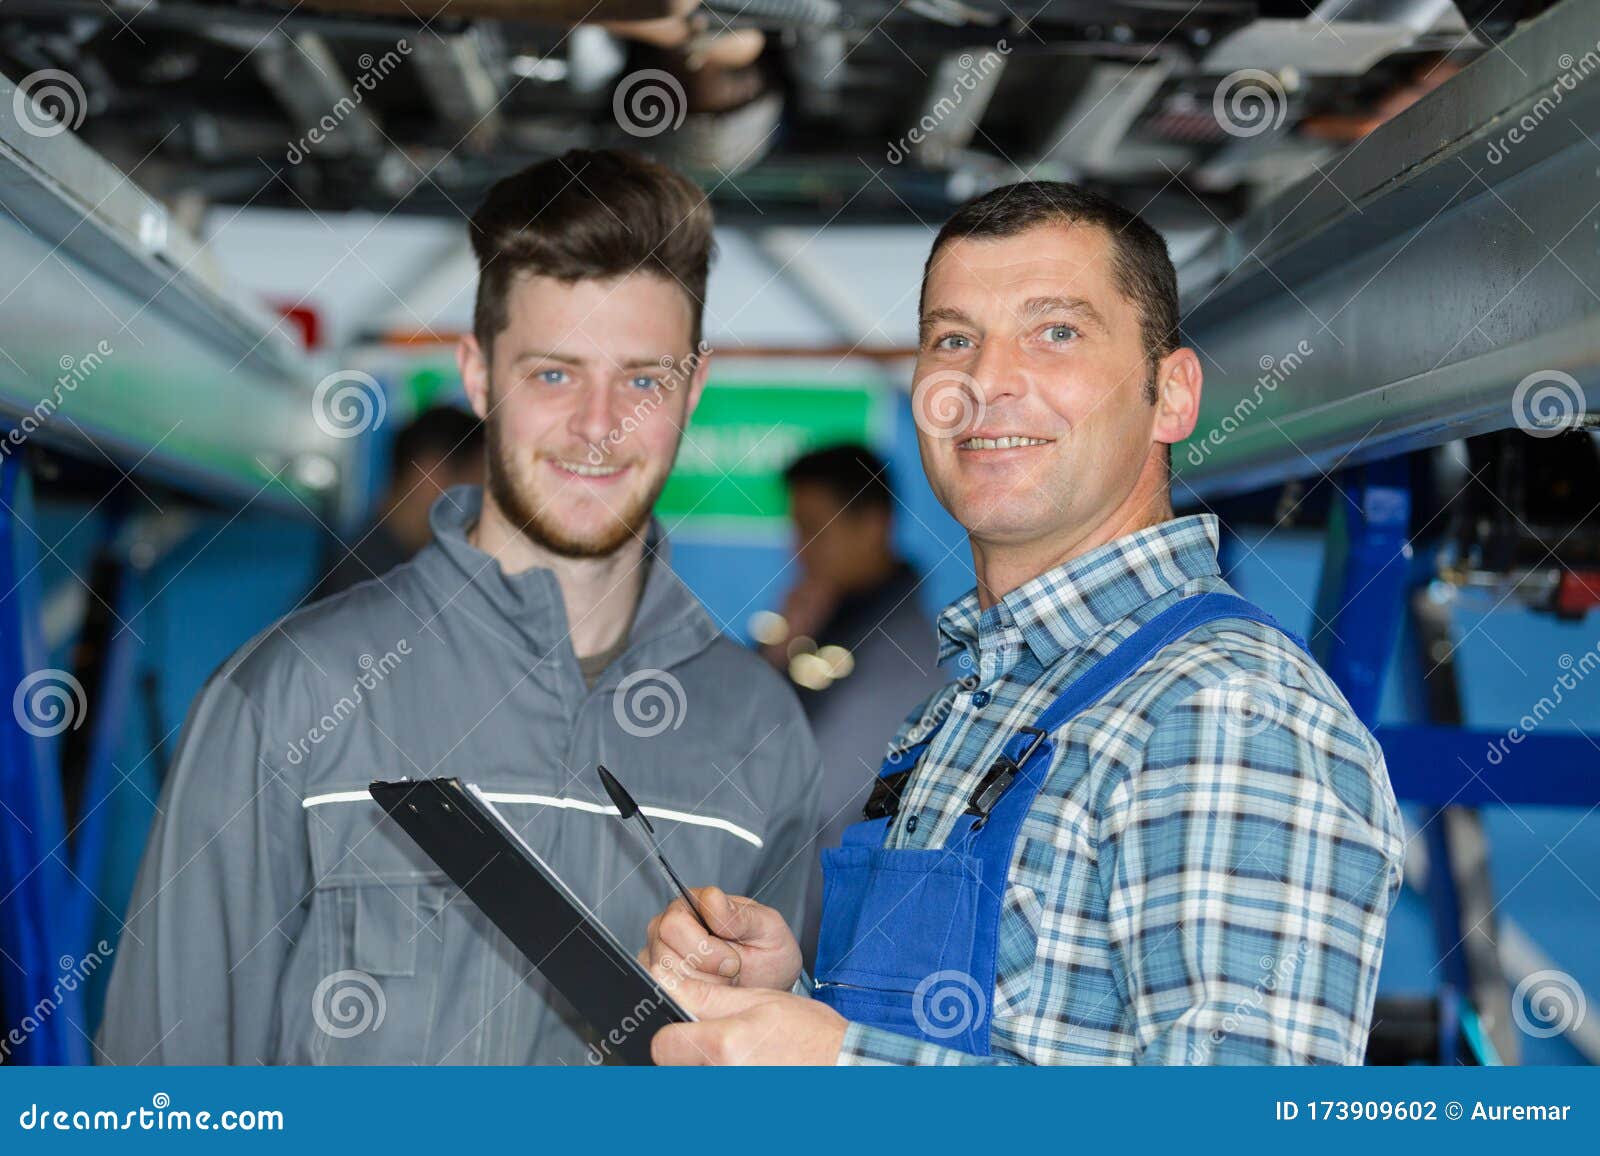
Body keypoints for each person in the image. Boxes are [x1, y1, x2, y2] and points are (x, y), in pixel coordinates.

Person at [640, 180, 1406, 1066]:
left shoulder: (1226, 713)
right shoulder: (975, 698)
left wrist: (836, 1067)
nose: (988, 381)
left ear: (1173, 395)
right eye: (954, 339)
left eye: (1058, 333)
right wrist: (794, 1002)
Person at [96, 149, 822, 1065]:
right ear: (479, 376)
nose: (599, 427)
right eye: (554, 375)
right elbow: (165, 1094)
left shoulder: (762, 736)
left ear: (694, 389)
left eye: (643, 380)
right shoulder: (288, 699)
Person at [762, 443, 946, 963]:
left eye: (814, 528)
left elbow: (810, 804)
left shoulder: (903, 660)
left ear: (873, 526)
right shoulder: (829, 626)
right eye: (796, 529)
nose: (800, 550)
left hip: (821, 938)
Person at [311, 405, 485, 600]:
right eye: (477, 486)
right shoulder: (376, 586)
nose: (481, 511)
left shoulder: (363, 559)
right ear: (431, 476)